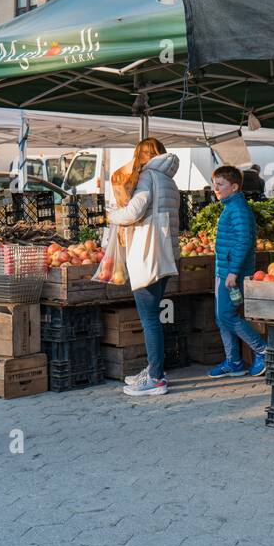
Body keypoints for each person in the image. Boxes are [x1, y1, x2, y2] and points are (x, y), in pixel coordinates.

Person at [108, 138, 181, 397]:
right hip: (166, 255)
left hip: (148, 255)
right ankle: (154, 368)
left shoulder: (148, 176)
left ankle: (156, 378)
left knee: (150, 319)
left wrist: (112, 215)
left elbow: (134, 212)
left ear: (141, 155)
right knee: (154, 316)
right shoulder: (169, 180)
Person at [207, 165, 267, 378]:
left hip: (233, 273)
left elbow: (244, 241)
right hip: (224, 271)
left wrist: (233, 272)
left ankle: (262, 350)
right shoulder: (230, 207)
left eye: (220, 185)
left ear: (234, 187)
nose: (216, 189)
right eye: (215, 184)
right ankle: (233, 361)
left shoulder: (238, 210)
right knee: (221, 316)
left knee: (226, 314)